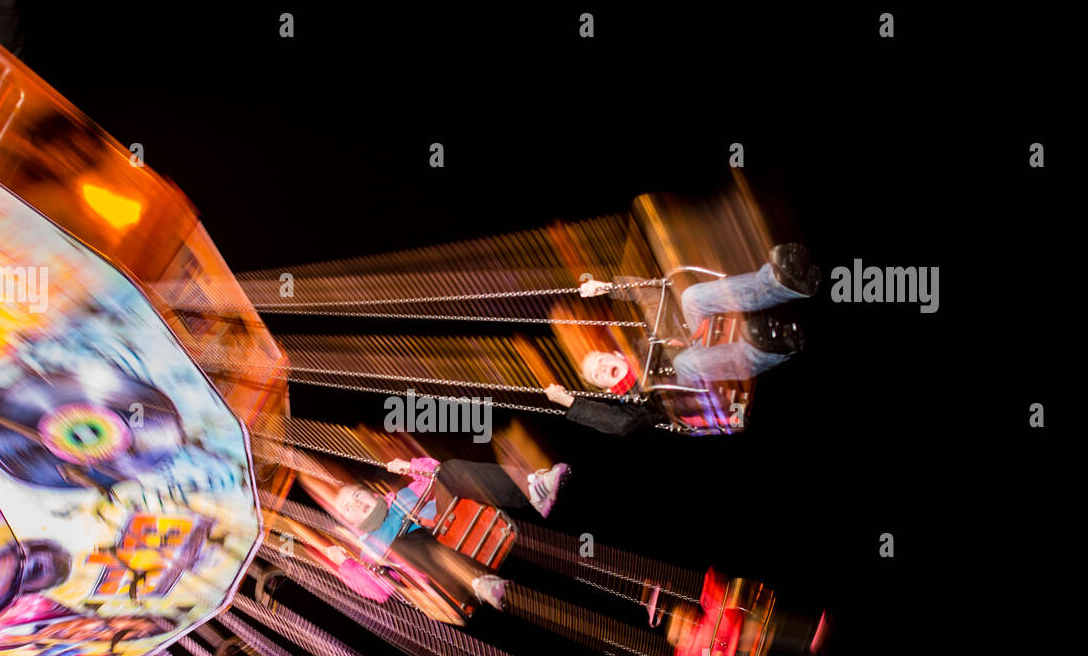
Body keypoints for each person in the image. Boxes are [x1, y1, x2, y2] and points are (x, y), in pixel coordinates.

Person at [546, 244, 820, 435]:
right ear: (606, 390)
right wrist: (572, 404)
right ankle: (765, 348)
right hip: (714, 396)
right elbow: (619, 425)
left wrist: (608, 287)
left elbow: (652, 296)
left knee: (691, 298)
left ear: (616, 355)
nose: (603, 368)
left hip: (706, 352)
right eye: (598, 374)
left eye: (601, 360)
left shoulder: (647, 346)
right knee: (687, 364)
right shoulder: (640, 402)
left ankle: (780, 281)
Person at [324, 455, 568, 611]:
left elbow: (434, 470)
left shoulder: (405, 496)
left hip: (455, 525)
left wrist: (410, 466)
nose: (356, 504)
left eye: (357, 495)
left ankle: (533, 490)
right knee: (404, 546)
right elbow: (379, 591)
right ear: (351, 522)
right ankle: (477, 582)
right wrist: (345, 565)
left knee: (448, 470)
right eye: (349, 508)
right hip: (440, 564)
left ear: (372, 494)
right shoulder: (371, 553)